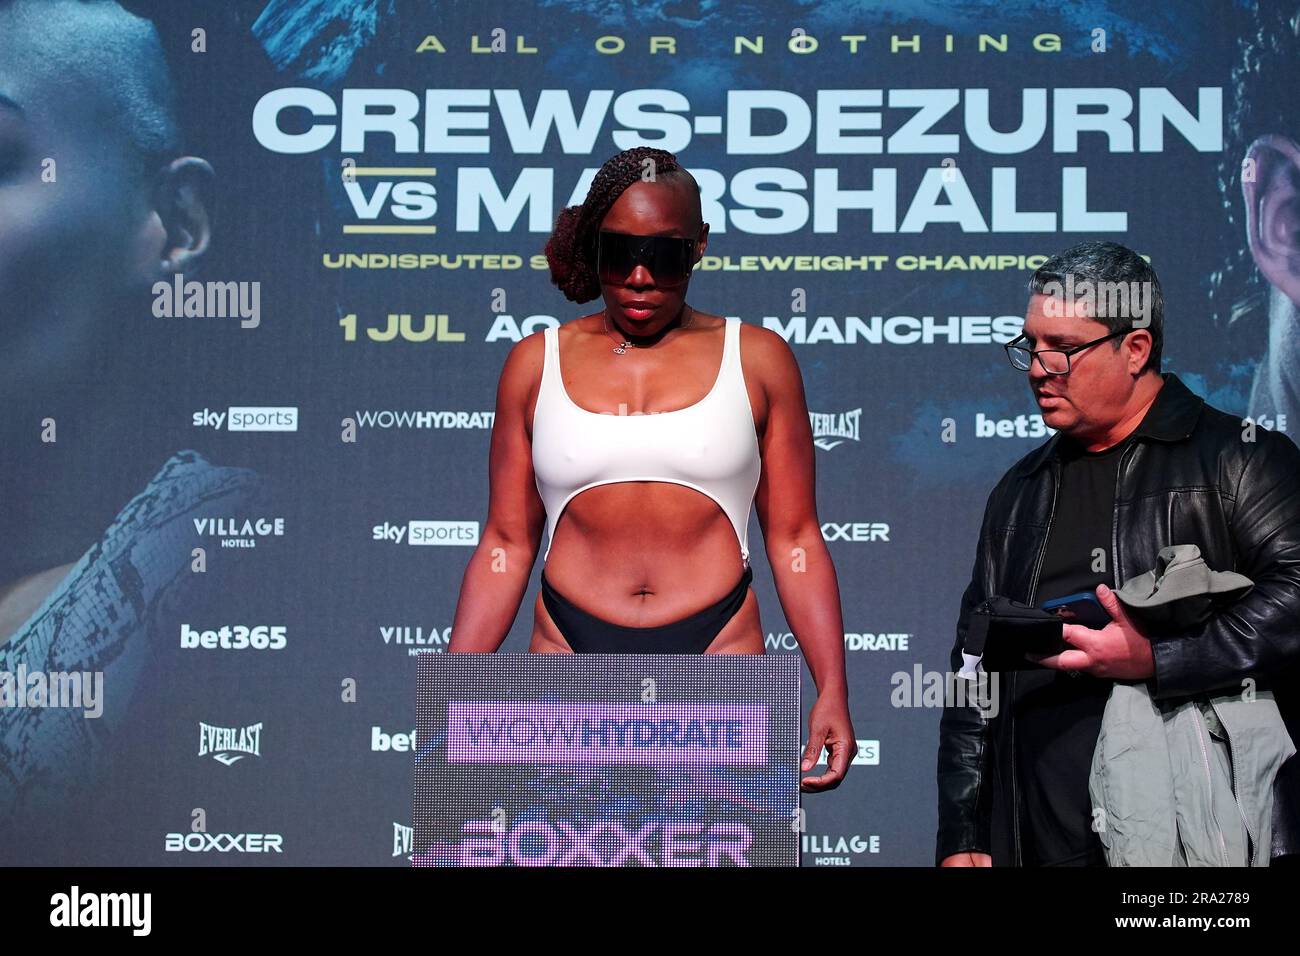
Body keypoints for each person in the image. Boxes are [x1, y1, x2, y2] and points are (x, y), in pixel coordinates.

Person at [447, 146, 856, 791]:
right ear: (593, 248)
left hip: (719, 649)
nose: (640, 277)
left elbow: (796, 538)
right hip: (567, 652)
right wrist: (459, 687)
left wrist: (830, 684)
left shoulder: (758, 359)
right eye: (619, 254)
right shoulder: (534, 363)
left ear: (699, 247)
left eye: (663, 257)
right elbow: (505, 542)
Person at [936, 240, 1300, 866]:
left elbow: (1295, 598)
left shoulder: (1242, 460)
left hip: (1202, 837)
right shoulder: (1019, 491)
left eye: (1063, 349)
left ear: (1135, 349)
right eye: (1030, 345)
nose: (1036, 367)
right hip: (1041, 837)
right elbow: (975, 663)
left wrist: (1159, 659)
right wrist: (964, 831)